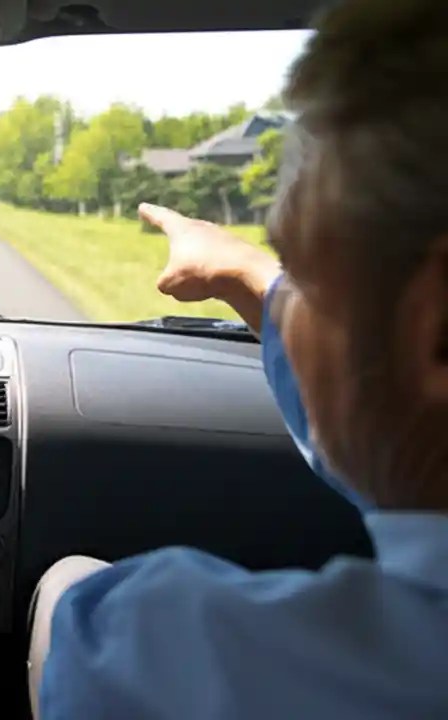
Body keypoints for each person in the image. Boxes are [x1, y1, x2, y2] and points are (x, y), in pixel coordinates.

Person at [27, 1, 448, 717]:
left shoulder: (154, 655)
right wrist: (249, 273)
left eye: (304, 279)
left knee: (66, 583)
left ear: (437, 329)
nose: (287, 301)